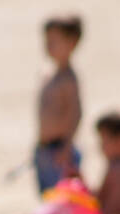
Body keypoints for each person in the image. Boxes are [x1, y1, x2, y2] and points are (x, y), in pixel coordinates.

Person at [34, 16, 83, 195]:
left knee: (61, 195)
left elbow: (75, 113)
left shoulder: (68, 78)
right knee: (46, 195)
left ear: (72, 43)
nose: (48, 46)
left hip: (60, 148)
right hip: (44, 147)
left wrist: (67, 145)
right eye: (47, 41)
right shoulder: (48, 74)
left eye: (54, 42)